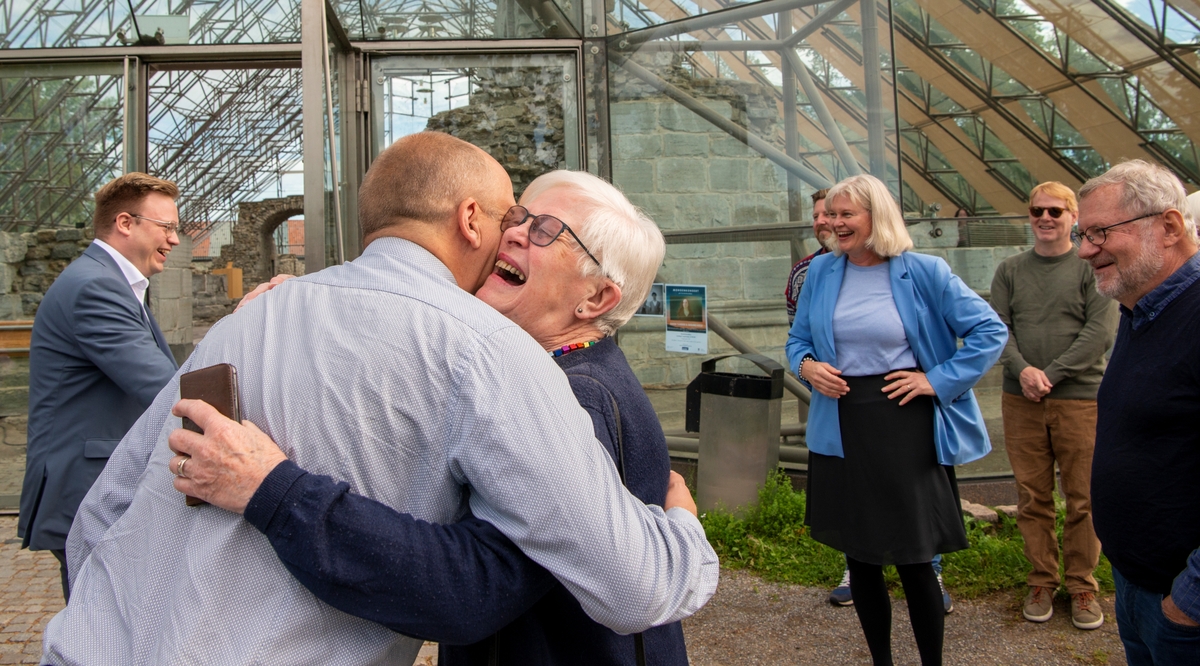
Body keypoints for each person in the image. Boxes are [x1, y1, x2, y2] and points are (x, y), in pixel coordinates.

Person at [47, 133, 718, 664]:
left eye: (542, 229)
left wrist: (272, 490)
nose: (517, 233)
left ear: (599, 298)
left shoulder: (245, 323)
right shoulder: (484, 353)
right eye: (518, 216)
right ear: (470, 220)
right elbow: (477, 591)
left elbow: (98, 521)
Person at [785, 174, 1006, 666]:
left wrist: (937, 380)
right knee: (860, 557)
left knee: (914, 557)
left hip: (904, 422)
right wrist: (808, 367)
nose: (833, 223)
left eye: (846, 215)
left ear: (875, 217)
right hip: (841, 422)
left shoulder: (924, 271)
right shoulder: (821, 273)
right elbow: (797, 341)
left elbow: (990, 329)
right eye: (831, 214)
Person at [17, 173, 181, 601]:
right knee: (99, 634)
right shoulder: (96, 287)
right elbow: (164, 388)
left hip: (92, 487)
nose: (175, 240)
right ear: (125, 223)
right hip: (88, 492)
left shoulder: (108, 282)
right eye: (166, 227)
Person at [1079, 159, 1200, 664]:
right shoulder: (1141, 308)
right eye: (1082, 235)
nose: (1085, 250)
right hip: (1137, 586)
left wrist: (1188, 602)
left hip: (1182, 609)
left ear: (1168, 226)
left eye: (1100, 232)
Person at [990, 182, 1116, 630]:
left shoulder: (1090, 266)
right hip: (1020, 398)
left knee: (1083, 497)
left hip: (1079, 399)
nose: (1045, 218)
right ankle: (1041, 578)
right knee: (1032, 496)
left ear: (1073, 216)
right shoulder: (1009, 270)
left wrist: (1051, 375)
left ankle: (1083, 586)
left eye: (1055, 212)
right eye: (1037, 210)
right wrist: (1024, 371)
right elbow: (997, 328)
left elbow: (1099, 333)